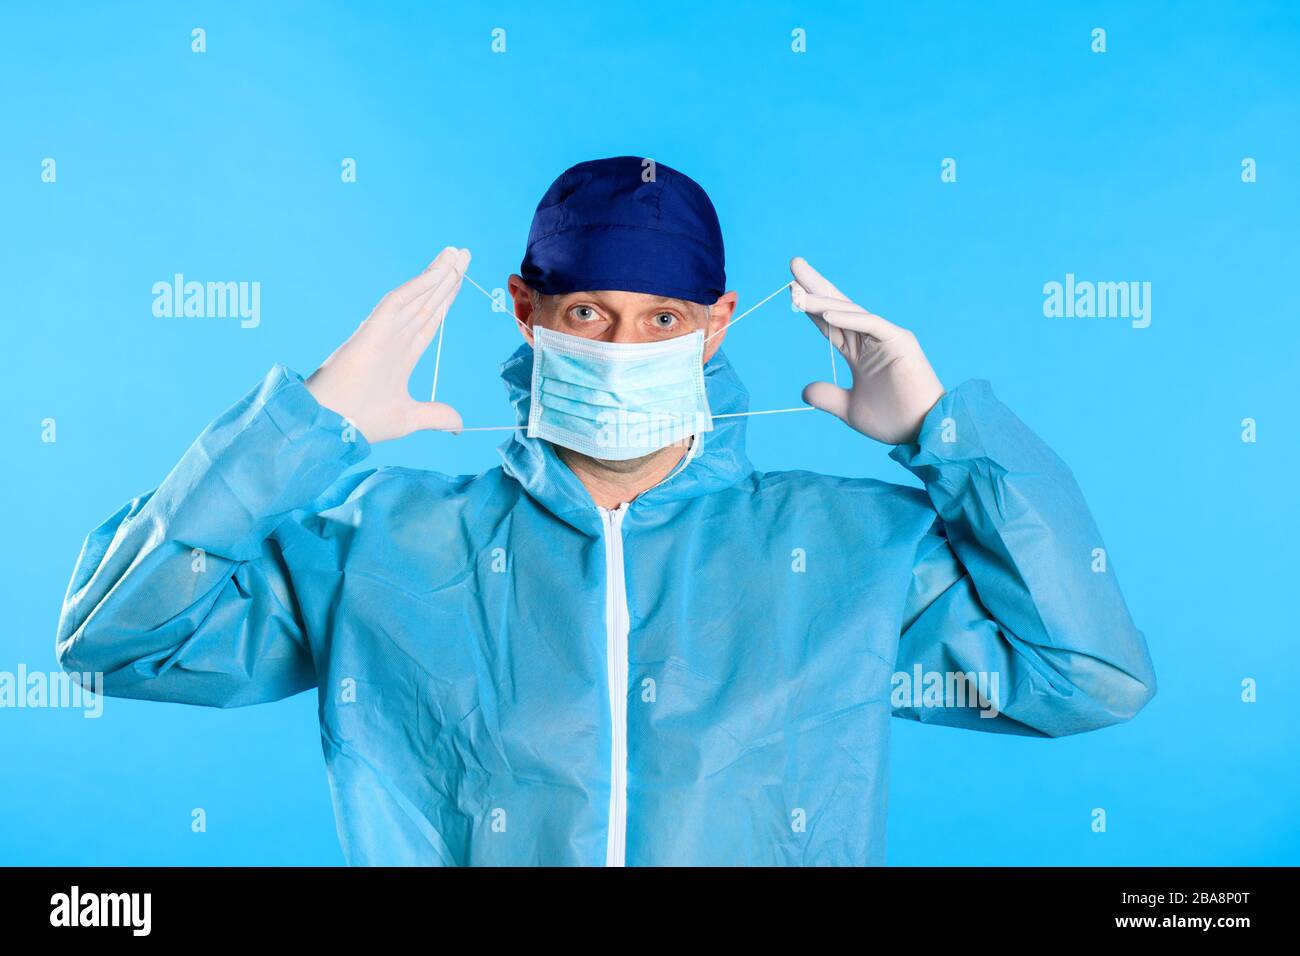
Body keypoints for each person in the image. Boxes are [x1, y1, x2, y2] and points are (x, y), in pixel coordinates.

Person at [56, 156, 1156, 866]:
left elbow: (1086, 678)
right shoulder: (382, 545)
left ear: (718, 324)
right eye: (588, 309)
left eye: (664, 316)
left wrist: (943, 436)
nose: (627, 348)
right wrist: (303, 425)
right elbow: (115, 639)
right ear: (527, 310)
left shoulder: (845, 547)